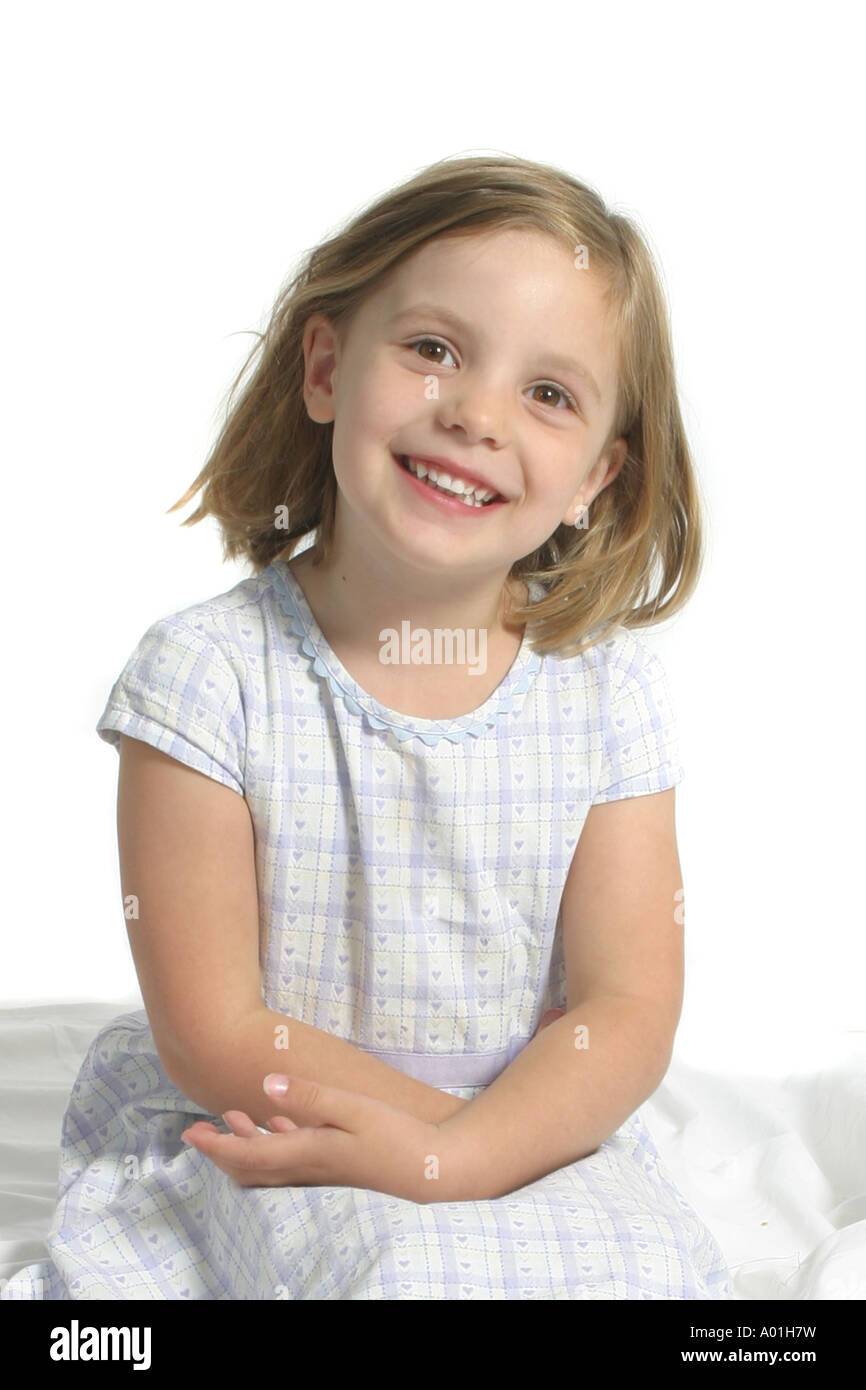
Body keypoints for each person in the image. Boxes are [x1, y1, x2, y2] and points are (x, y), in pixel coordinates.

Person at [2, 154, 731, 1300]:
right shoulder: (208, 677)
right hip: (276, 1123)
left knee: (650, 1277)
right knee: (398, 1275)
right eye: (433, 348)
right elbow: (214, 1029)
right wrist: (431, 1151)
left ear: (596, 473)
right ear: (329, 366)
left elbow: (623, 1006)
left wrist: (472, 1154)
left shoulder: (606, 695)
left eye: (548, 393)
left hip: (517, 1134)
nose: (474, 413)